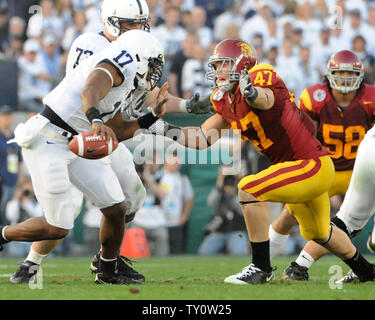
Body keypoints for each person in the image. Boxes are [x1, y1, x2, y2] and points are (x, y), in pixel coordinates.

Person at [8, 0, 211, 285]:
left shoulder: (136, 52)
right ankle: (32, 262)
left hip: (101, 127)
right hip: (81, 129)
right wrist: (112, 121)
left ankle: (107, 262)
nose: (138, 29)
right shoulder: (96, 47)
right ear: (112, 21)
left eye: (141, 23)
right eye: (131, 23)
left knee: (131, 196)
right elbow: (94, 94)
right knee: (64, 217)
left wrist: (188, 106)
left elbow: (149, 97)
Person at [163, 38, 375, 284]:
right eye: (217, 65)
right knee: (318, 232)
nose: (218, 70)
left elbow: (265, 100)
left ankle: (261, 268)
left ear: (242, 65)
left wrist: (251, 92)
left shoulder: (261, 75)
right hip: (305, 167)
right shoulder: (225, 100)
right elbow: (202, 137)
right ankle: (366, 270)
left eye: (224, 64)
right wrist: (160, 129)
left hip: (309, 164)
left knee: (248, 189)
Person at [0, 29, 169, 285]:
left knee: (116, 208)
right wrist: (96, 119)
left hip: (77, 141)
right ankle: (2, 235)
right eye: (154, 63)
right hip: (50, 138)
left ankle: (107, 272)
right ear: (141, 56)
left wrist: (152, 115)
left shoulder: (125, 80)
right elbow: (90, 89)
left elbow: (119, 131)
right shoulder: (117, 64)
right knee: (58, 226)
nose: (155, 71)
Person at [269, 50, 375, 281]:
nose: (346, 78)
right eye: (341, 72)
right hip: (326, 167)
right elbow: (304, 136)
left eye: (350, 73)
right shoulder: (315, 97)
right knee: (292, 212)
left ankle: (296, 266)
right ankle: (265, 259)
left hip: (356, 169)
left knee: (346, 222)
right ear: (329, 74)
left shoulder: (370, 98)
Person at [198, 170, 249, 256]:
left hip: (237, 230)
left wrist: (234, 194)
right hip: (219, 230)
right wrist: (219, 183)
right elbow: (210, 203)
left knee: (239, 253)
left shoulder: (241, 191)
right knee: (204, 252)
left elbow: (242, 210)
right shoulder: (219, 190)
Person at [6, 179, 43, 256]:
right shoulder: (13, 203)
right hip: (17, 238)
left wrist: (27, 203)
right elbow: (11, 217)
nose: (26, 193)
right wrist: (16, 199)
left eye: (29, 190)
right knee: (15, 256)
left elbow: (38, 217)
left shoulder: (37, 203)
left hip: (33, 238)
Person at [0, 105, 23, 225]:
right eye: (4, 116)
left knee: (11, 217)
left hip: (13, 182)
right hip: (1, 183)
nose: (7, 119)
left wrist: (20, 184)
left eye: (9, 116)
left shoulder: (15, 138)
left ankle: (7, 243)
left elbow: (20, 162)